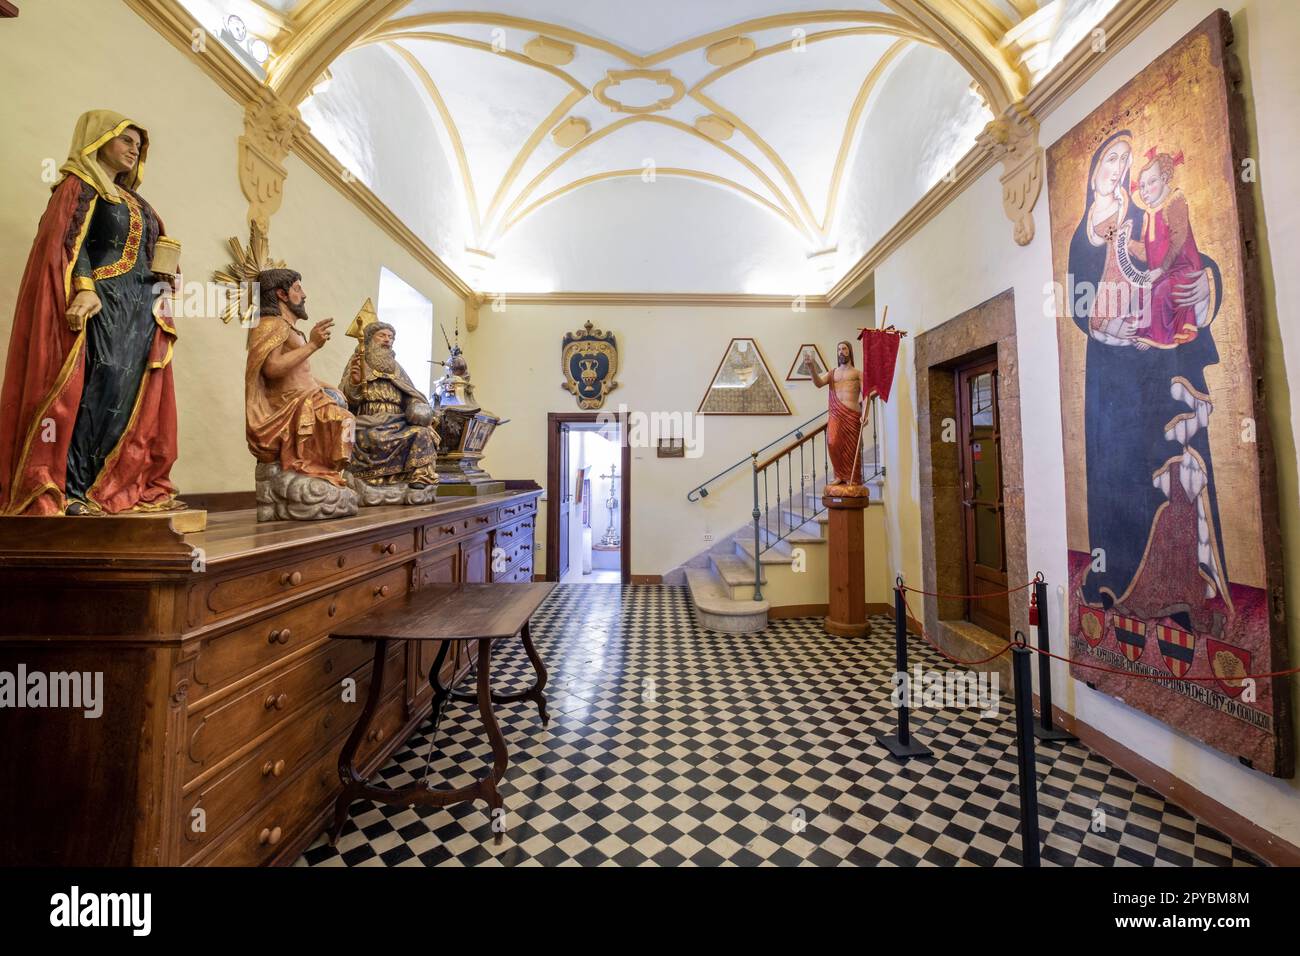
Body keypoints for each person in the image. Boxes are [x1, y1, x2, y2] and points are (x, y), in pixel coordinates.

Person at [1066, 130, 1229, 632]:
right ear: (1095, 169)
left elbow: (1180, 260)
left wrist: (1207, 284)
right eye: (1111, 158)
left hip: (1155, 366)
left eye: (1126, 160)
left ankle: (1183, 589)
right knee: (1117, 472)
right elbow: (1074, 301)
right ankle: (1116, 582)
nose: (1119, 167)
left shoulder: (1145, 214)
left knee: (1170, 470)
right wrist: (1100, 320)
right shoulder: (1081, 236)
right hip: (1110, 379)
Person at [0, 110, 180, 516]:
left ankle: (106, 485)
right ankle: (70, 488)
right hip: (103, 298)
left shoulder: (138, 202)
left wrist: (167, 277)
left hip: (140, 306)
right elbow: (67, 240)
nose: (134, 150)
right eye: (126, 141)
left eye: (139, 145)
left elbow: (150, 253)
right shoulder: (78, 186)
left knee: (127, 393)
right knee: (95, 384)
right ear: (99, 140)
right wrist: (83, 287)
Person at [245, 268, 353, 485]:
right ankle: (317, 472)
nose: (303, 295)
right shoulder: (270, 324)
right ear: (281, 295)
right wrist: (313, 345)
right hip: (289, 404)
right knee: (345, 421)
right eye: (297, 289)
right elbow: (272, 369)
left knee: (345, 418)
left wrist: (329, 387)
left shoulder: (289, 328)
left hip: (306, 396)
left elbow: (301, 372)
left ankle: (326, 473)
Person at [339, 321, 439, 489]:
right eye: (382, 335)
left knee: (422, 433)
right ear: (370, 339)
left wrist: (417, 407)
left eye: (391, 337)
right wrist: (355, 383)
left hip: (398, 421)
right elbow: (345, 399)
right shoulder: (358, 362)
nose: (387, 340)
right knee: (360, 435)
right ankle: (362, 480)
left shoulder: (397, 369)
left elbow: (411, 394)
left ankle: (420, 478)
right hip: (368, 420)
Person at [812, 341, 863, 488]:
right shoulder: (832, 373)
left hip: (853, 414)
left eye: (844, 349)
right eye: (839, 349)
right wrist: (811, 368)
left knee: (852, 448)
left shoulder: (857, 373)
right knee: (832, 442)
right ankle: (839, 474)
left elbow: (865, 395)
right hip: (835, 413)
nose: (841, 351)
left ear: (850, 351)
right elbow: (819, 383)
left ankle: (852, 477)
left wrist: (865, 414)